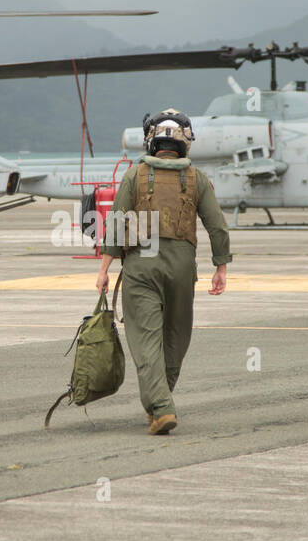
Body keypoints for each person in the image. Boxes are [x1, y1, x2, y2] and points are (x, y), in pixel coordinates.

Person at [96, 109, 232, 435]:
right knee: (176, 335)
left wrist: (104, 269)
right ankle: (161, 399)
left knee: (146, 338)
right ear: (186, 141)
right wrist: (221, 267)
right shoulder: (197, 178)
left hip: (142, 263)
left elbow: (116, 224)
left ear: (150, 139)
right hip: (183, 266)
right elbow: (217, 226)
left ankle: (160, 406)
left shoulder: (135, 175)